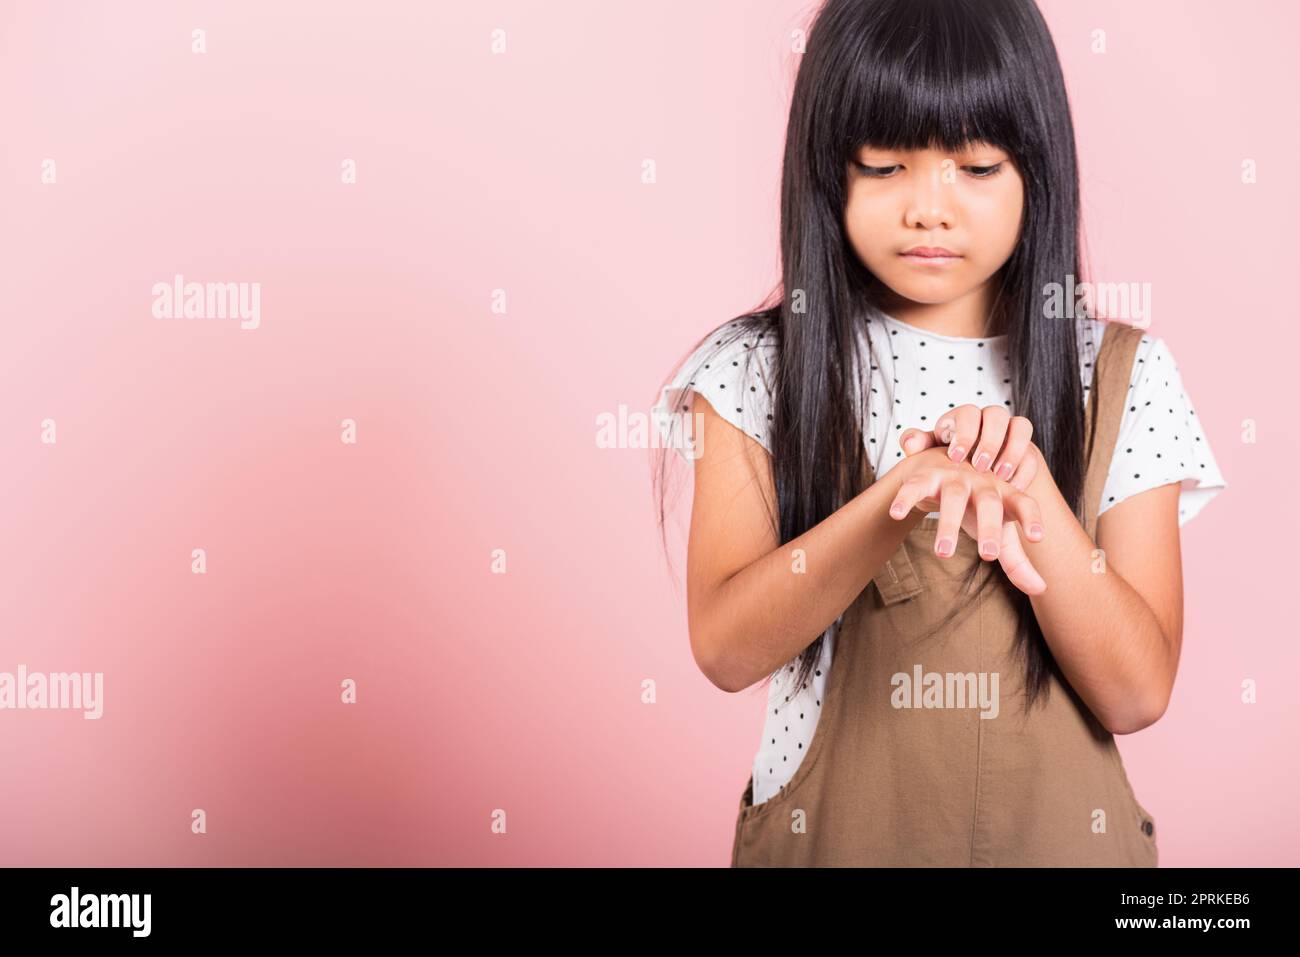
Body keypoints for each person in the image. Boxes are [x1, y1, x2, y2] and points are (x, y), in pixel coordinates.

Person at [650, 0, 1227, 866]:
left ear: (1037, 170)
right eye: (884, 165)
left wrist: (1028, 490)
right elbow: (727, 651)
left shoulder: (1122, 374)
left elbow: (1138, 691)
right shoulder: (753, 369)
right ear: (825, 171)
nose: (930, 208)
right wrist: (893, 502)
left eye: (977, 165)